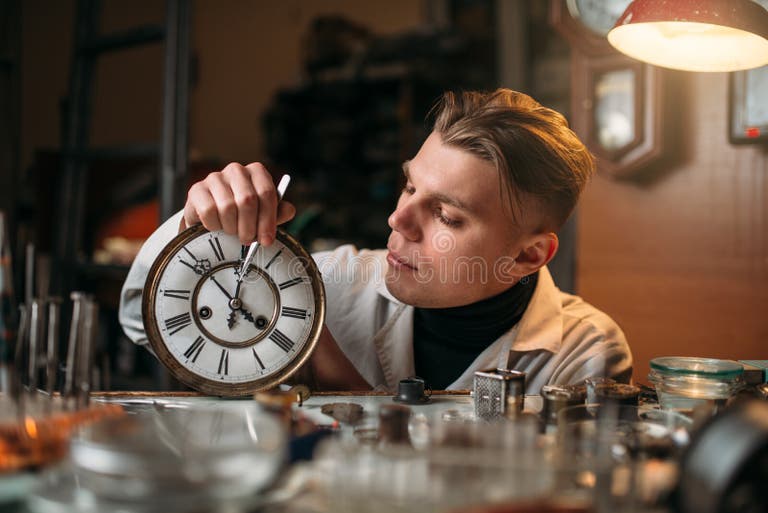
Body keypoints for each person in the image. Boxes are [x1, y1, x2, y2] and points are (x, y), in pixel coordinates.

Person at [119, 89, 632, 393]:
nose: (397, 219)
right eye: (410, 186)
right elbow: (138, 318)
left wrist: (335, 374)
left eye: (446, 216)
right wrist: (198, 226)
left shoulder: (583, 353)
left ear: (528, 254)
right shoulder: (334, 282)